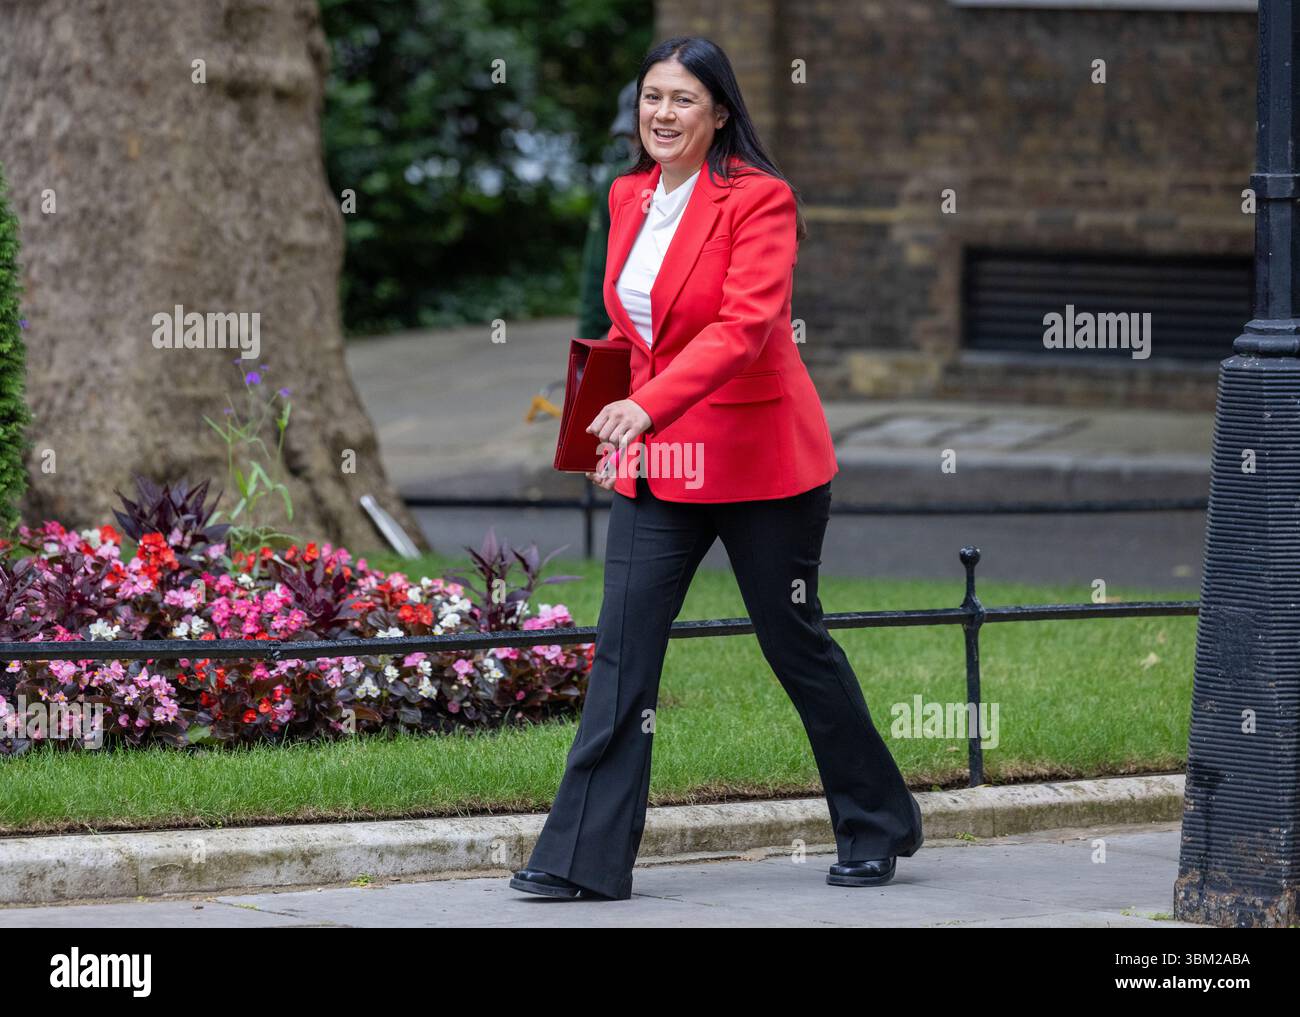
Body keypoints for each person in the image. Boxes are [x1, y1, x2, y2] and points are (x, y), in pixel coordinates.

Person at [511, 35, 924, 902]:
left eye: (683, 99)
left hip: (761, 465)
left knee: (794, 645)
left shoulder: (760, 199)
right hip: (659, 465)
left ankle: (877, 821)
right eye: (652, 96)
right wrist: (602, 428)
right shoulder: (628, 195)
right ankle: (582, 856)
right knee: (622, 652)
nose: (662, 113)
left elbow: (742, 329)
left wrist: (646, 408)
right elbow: (631, 329)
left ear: (721, 113)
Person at [575, 79, 638, 341]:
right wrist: (587, 342)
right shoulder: (617, 180)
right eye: (630, 136)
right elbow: (598, 264)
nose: (634, 143)